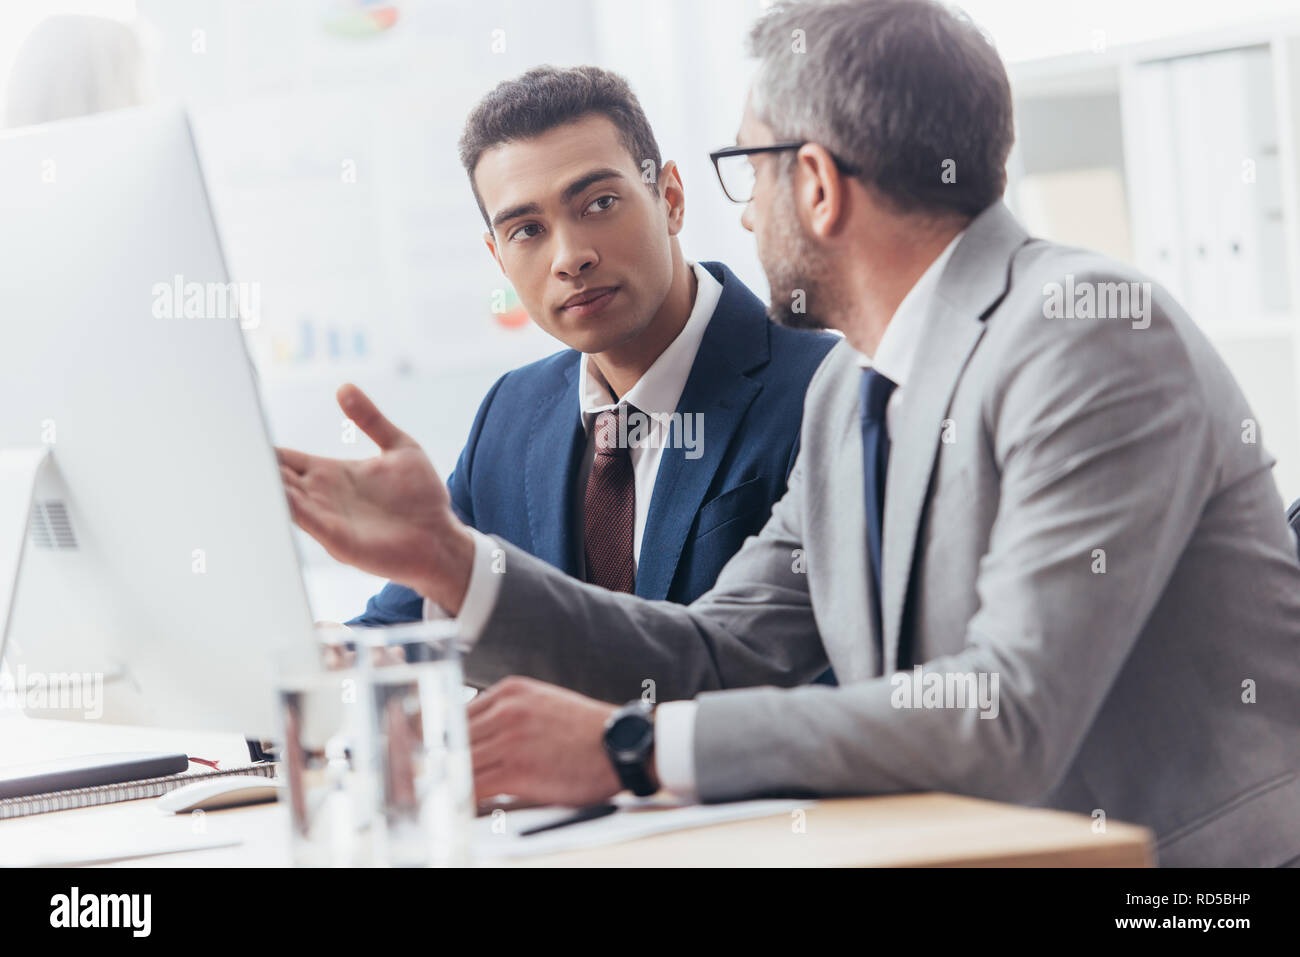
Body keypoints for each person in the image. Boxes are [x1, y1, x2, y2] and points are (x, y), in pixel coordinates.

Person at [277, 0, 1300, 867]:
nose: (747, 209)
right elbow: (721, 653)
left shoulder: (1085, 336)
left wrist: (632, 749)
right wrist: (453, 563)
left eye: (748, 167)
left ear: (813, 182)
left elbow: (1004, 715)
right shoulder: (852, 390)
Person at [346, 66, 834, 632]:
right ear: (498, 256)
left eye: (599, 203)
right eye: (527, 230)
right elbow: (396, 637)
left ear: (670, 198)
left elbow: (843, 675)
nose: (569, 257)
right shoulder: (510, 413)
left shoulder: (826, 390)